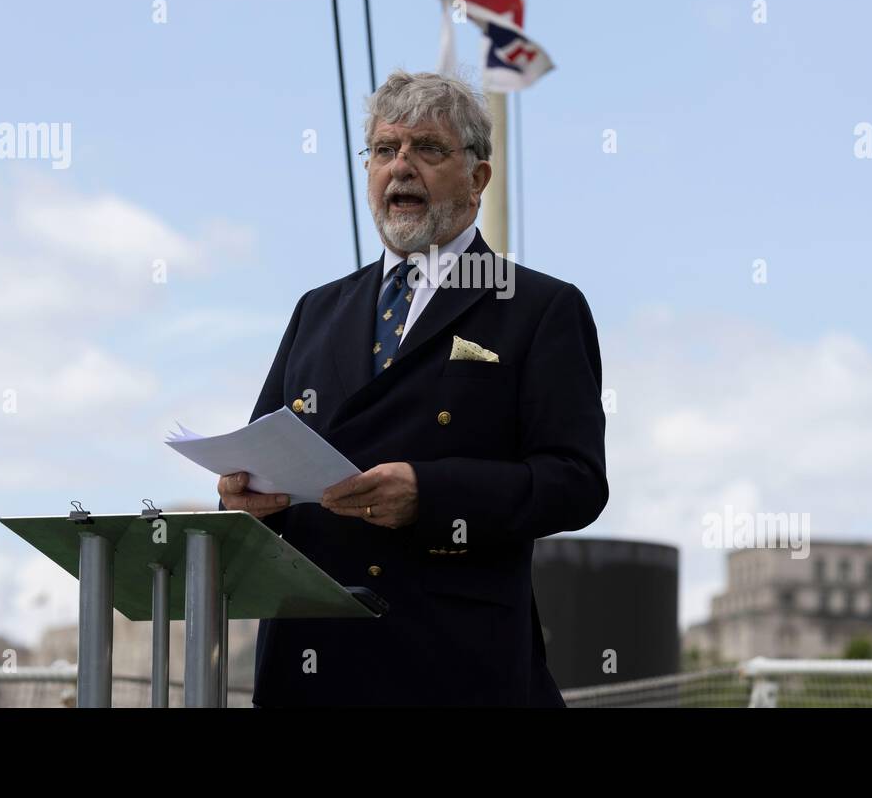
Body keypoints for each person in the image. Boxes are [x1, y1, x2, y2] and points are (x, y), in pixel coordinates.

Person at [218, 69, 607, 706]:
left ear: (479, 178)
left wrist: (431, 495)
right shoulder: (316, 310)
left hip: (454, 665)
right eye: (383, 149)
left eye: (428, 149)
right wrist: (243, 498)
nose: (400, 167)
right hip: (313, 667)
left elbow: (576, 483)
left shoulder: (540, 307)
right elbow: (260, 454)